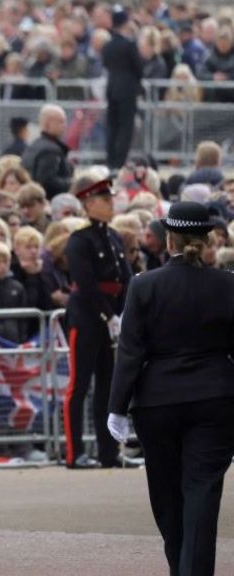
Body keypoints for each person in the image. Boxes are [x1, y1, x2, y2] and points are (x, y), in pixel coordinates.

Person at [108, 201, 234, 576]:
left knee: (167, 496)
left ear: (169, 240)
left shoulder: (144, 284)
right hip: (216, 397)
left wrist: (117, 405)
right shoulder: (228, 285)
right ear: (208, 238)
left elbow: (131, 350)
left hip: (158, 402)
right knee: (202, 492)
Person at [63, 178, 132, 469]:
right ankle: (74, 452)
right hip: (88, 316)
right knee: (78, 386)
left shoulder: (113, 236)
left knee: (107, 386)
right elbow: (86, 283)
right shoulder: (79, 240)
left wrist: (125, 311)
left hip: (111, 316)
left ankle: (108, 452)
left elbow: (124, 277)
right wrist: (109, 315)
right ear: (89, 204)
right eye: (105, 200)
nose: (111, 203)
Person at [102, 6, 143, 170]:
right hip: (127, 90)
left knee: (112, 126)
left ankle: (110, 159)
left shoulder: (108, 46)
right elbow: (139, 68)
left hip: (111, 87)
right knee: (125, 127)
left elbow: (105, 64)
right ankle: (119, 162)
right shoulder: (129, 45)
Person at [22, 105, 73, 199]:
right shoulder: (50, 150)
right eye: (61, 122)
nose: (65, 126)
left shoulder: (33, 146)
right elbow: (48, 182)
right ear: (47, 123)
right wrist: (73, 183)